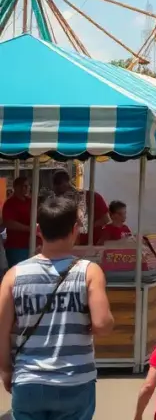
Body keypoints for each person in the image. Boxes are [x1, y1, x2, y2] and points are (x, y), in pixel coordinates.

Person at [0, 193, 115, 419]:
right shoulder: (89, 271)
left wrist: (5, 370)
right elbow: (102, 325)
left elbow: (1, 331)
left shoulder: (14, 276)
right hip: (76, 380)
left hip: (28, 379)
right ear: (75, 230)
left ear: (38, 230)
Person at [52, 170, 109, 246]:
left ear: (67, 184)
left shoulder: (92, 197)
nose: (59, 196)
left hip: (93, 244)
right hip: (72, 244)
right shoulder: (61, 202)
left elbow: (106, 219)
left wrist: (87, 227)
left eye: (60, 193)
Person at [3, 175, 33, 265]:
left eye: (28, 186)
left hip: (30, 243)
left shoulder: (30, 201)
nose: (27, 188)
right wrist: (28, 228)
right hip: (16, 246)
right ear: (16, 187)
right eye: (24, 186)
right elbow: (8, 222)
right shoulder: (10, 203)